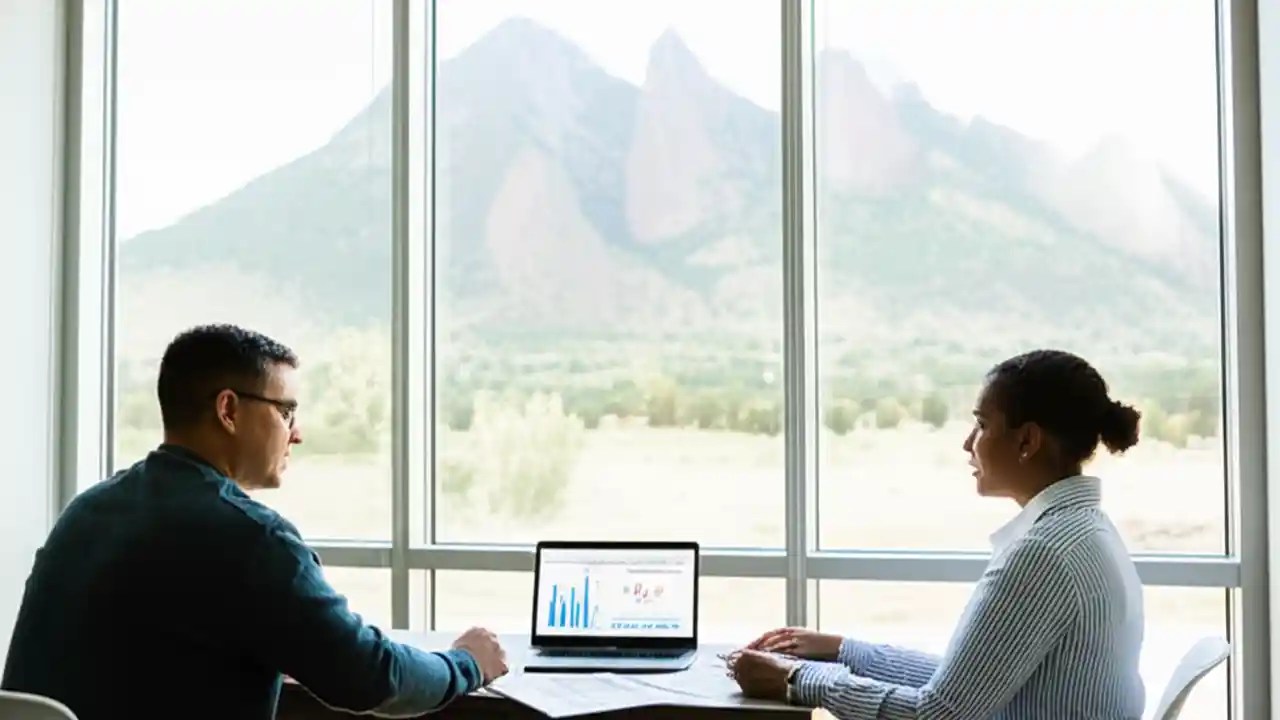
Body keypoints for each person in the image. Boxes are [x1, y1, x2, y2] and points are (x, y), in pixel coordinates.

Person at [2, 324, 508, 719]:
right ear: (229, 410)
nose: (297, 433)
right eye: (286, 411)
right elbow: (375, 679)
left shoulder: (88, 510)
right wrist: (466, 663)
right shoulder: (249, 536)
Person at [727, 349, 1145, 719]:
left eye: (981, 424)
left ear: (1027, 441)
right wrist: (842, 651)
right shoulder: (1087, 531)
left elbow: (939, 713)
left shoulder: (1044, 554)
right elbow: (964, 681)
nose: (968, 443)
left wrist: (796, 679)